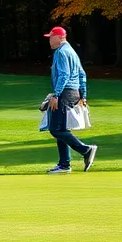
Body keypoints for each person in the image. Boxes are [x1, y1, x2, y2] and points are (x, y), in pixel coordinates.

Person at [44, 26, 98, 174]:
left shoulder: (61, 52)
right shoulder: (72, 52)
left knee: (55, 129)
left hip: (65, 93)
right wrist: (83, 95)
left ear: (59, 37)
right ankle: (64, 164)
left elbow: (64, 75)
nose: (49, 40)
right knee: (62, 129)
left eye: (51, 37)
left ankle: (86, 150)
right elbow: (82, 74)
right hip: (73, 93)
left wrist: (56, 95)